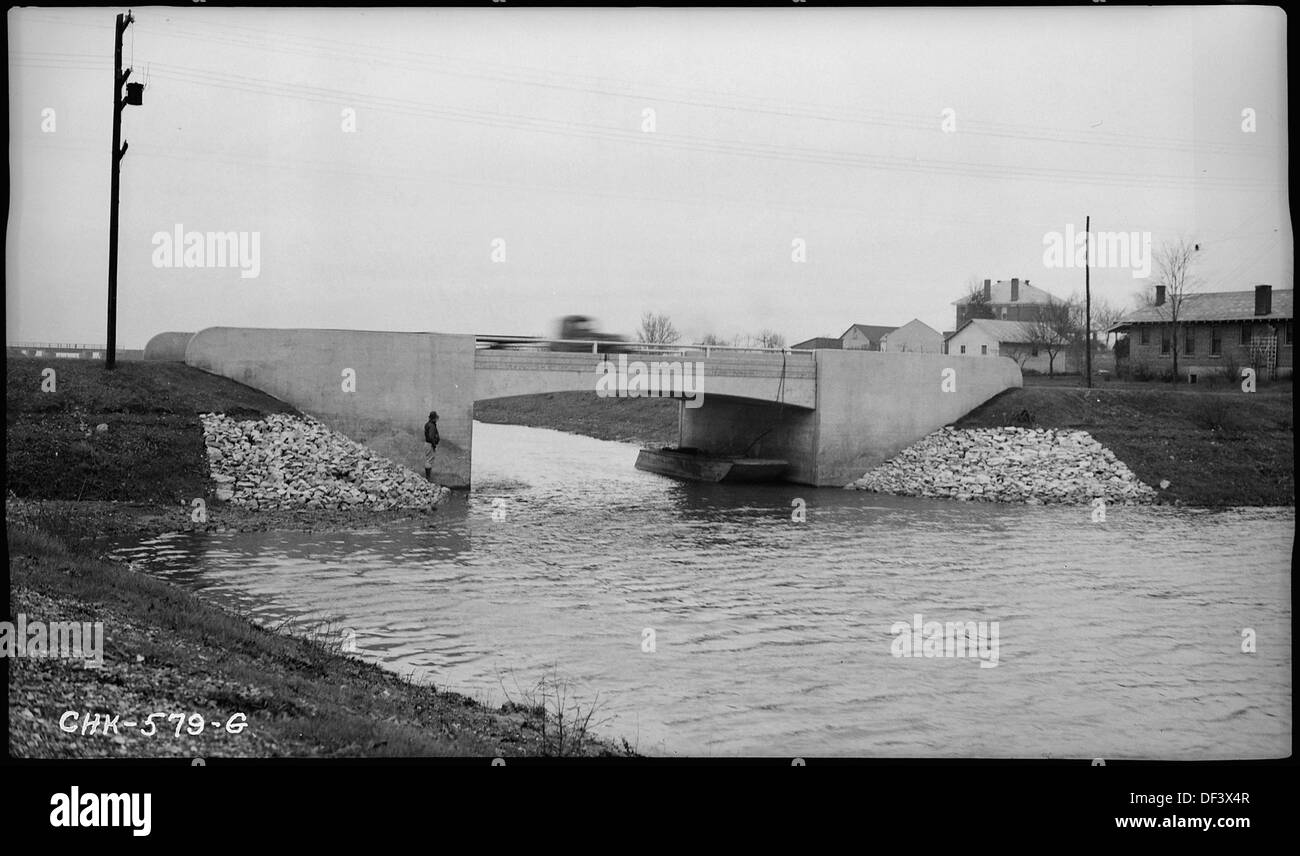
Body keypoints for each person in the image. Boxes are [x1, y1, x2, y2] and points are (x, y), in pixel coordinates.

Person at [423, 411, 439, 482]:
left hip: (427, 444)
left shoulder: (428, 424)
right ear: (434, 418)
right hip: (430, 444)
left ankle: (427, 478)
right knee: (429, 460)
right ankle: (428, 478)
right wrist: (434, 444)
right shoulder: (432, 425)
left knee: (428, 459)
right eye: (436, 418)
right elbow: (431, 436)